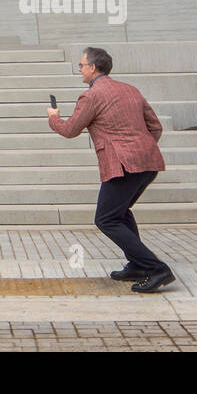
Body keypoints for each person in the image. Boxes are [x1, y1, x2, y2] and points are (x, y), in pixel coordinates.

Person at [48, 47, 175, 293]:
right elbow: (155, 127)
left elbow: (70, 130)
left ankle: (156, 268)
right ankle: (138, 264)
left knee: (106, 218)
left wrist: (53, 117)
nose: (80, 69)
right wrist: (141, 148)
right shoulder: (131, 90)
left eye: (82, 65)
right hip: (147, 163)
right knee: (120, 212)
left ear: (93, 67)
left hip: (122, 165)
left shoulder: (92, 96)